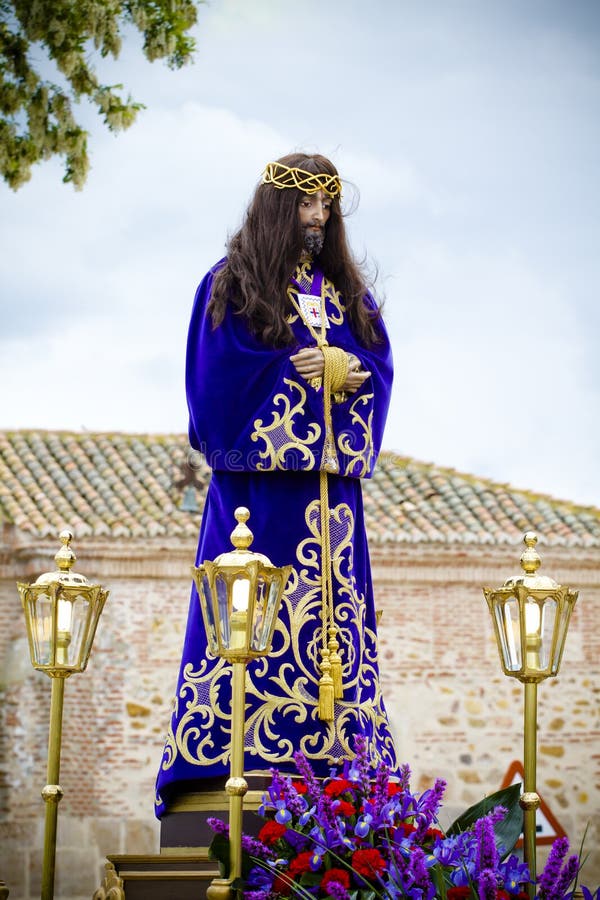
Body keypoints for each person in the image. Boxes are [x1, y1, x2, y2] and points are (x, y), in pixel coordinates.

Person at [155, 153, 399, 816]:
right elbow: (215, 391)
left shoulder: (348, 295)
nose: (317, 218)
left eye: (327, 205)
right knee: (248, 636)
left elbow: (378, 368)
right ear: (276, 207)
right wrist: (302, 379)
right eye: (306, 204)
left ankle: (343, 774)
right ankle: (223, 765)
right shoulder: (228, 286)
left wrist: (350, 370)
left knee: (337, 636)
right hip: (253, 507)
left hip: (332, 515)